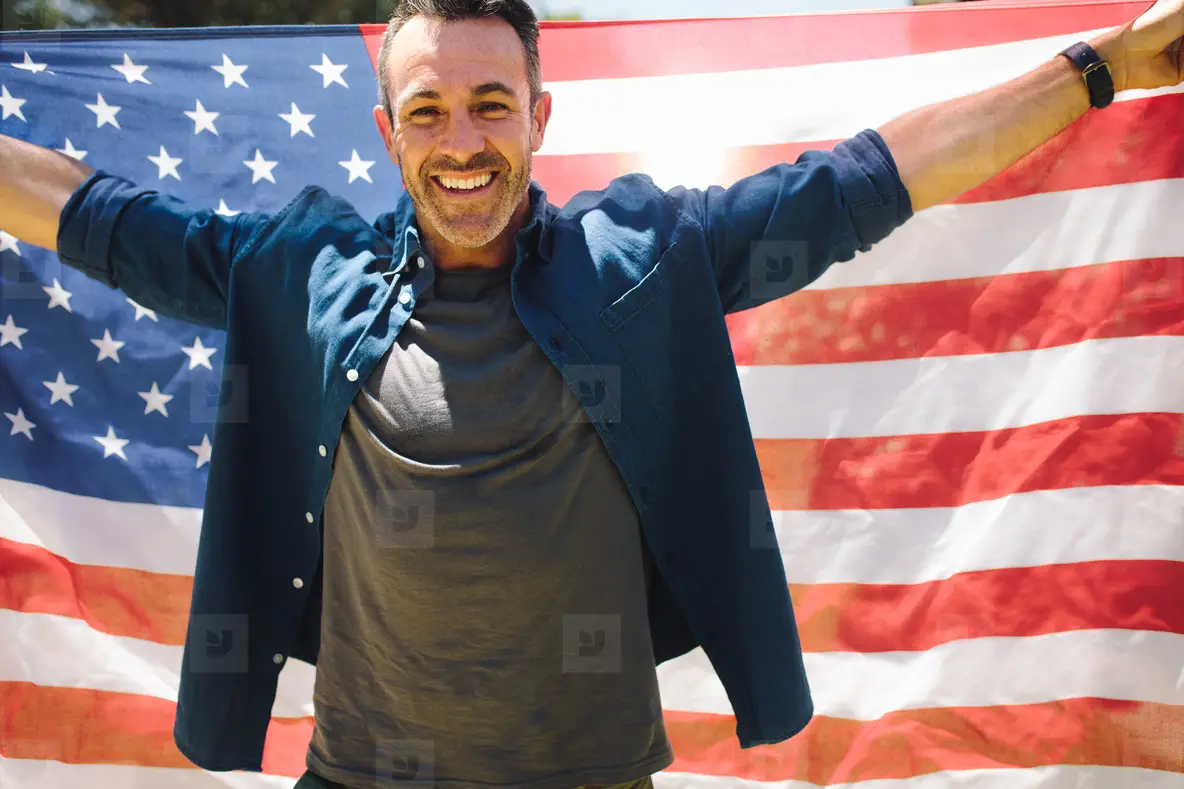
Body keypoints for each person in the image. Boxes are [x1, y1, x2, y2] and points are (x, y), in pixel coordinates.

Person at [2, 0, 1182, 786]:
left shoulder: (642, 259)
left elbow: (864, 182)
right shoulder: (296, 273)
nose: (460, 140)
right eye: (425, 110)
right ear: (385, 131)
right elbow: (98, 219)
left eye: (488, 104)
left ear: (538, 114)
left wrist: (1098, 69)